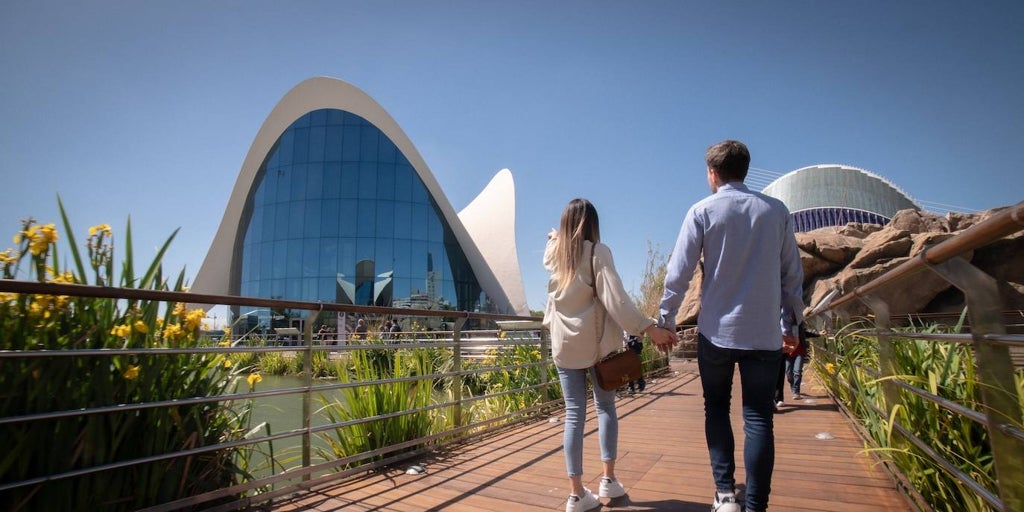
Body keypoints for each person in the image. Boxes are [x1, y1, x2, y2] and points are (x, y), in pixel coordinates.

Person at [654, 140, 805, 512]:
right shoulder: (777, 211)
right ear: (745, 170)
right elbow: (792, 276)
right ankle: (755, 505)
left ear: (713, 173)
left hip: (716, 334)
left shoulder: (702, 211)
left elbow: (680, 271)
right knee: (759, 417)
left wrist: (666, 318)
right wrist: (792, 323)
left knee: (717, 409)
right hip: (763, 334)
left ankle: (725, 495)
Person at [543, 198, 677, 512]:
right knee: (605, 408)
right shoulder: (597, 253)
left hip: (564, 347)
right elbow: (616, 300)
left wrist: (554, 237)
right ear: (592, 224)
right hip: (596, 347)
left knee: (574, 416)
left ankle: (576, 494)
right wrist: (648, 328)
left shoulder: (554, 255)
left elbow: (553, 245)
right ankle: (609, 479)